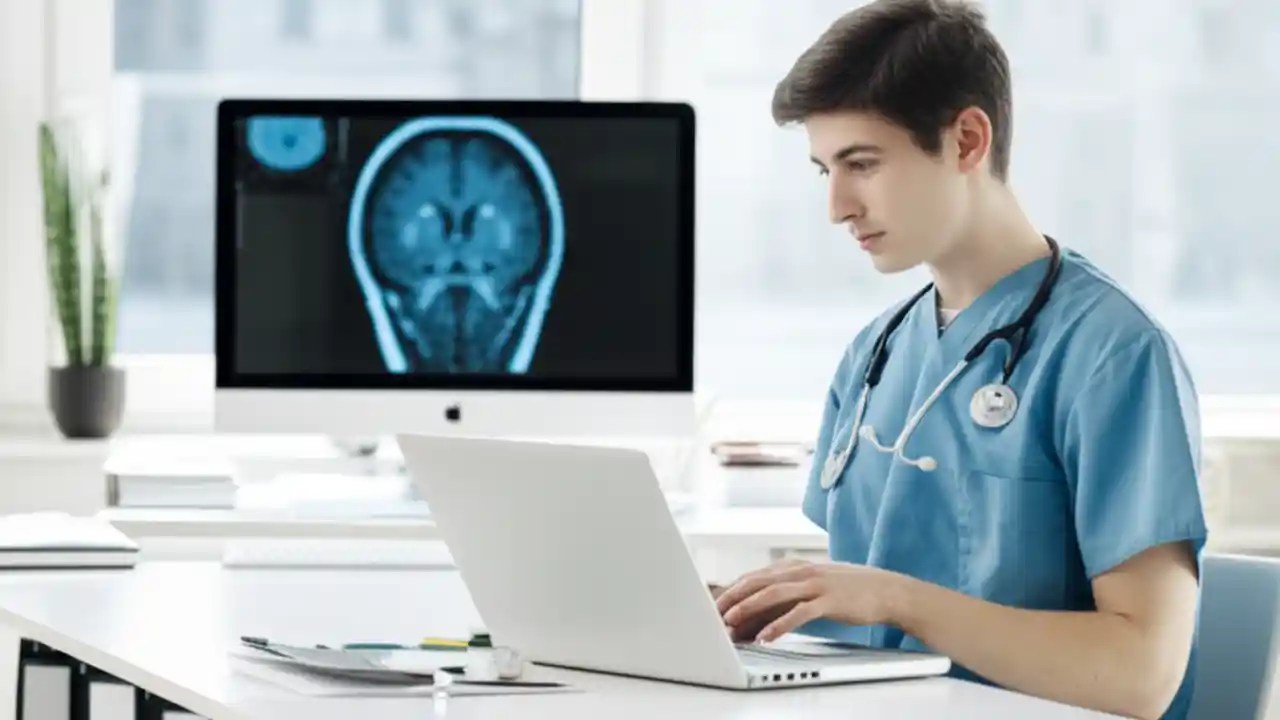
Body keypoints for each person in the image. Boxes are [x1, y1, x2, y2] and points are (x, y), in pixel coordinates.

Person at [711, 2, 1209, 719]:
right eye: (825, 170)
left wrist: (896, 598)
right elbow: (864, 627)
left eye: (862, 164)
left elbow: (1142, 675)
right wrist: (739, 610)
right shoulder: (874, 355)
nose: (837, 206)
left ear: (967, 141)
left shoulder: (1113, 355)